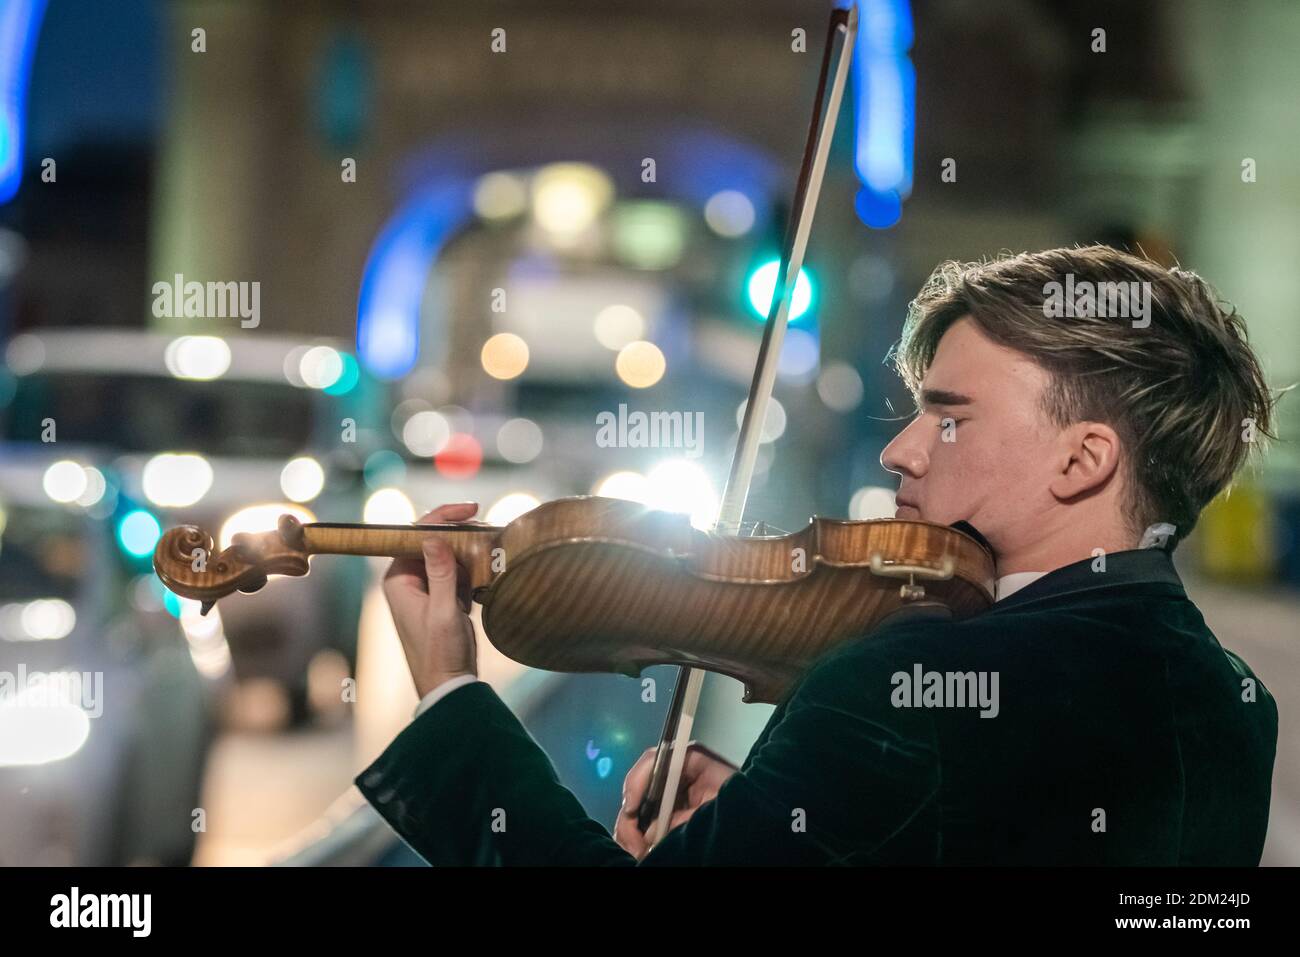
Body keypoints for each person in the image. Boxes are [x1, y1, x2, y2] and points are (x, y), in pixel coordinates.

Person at [357, 245, 1280, 865]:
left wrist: (449, 693)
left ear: (1083, 459)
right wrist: (785, 814)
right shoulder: (1233, 704)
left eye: (950, 419)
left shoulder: (903, 683)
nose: (900, 451)